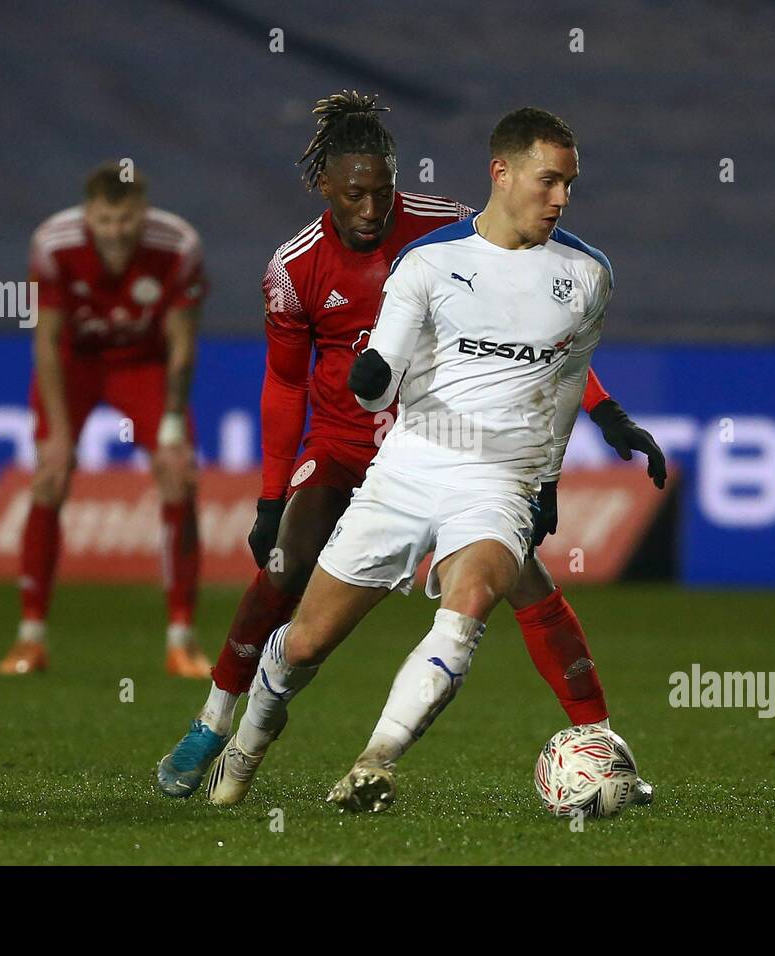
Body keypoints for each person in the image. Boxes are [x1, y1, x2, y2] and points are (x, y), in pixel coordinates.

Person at [156, 93, 665, 800]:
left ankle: (379, 760)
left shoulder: (512, 248)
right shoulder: (304, 266)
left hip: (493, 472)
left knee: (487, 595)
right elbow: (290, 382)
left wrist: (598, 425)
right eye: (356, 194)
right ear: (325, 187)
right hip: (369, 453)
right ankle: (223, 731)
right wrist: (273, 493)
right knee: (292, 588)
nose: (371, 209)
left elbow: (552, 360)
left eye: (383, 191)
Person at [0, 163, 211, 678]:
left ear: (144, 211)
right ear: (89, 214)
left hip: (146, 364)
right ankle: (30, 640)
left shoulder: (178, 245)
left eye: (128, 218)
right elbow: (46, 341)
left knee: (177, 474)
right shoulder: (52, 243)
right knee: (50, 475)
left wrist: (174, 423)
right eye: (107, 219)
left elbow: (182, 344)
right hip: (77, 363)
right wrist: (60, 435)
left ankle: (181, 640)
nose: (118, 230)